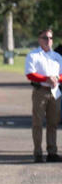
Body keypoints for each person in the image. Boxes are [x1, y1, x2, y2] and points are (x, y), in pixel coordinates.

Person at [25, 28, 61, 163]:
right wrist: (46, 79)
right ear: (39, 39)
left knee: (53, 123)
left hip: (54, 91)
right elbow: (29, 74)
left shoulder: (57, 57)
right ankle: (38, 152)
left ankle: (52, 152)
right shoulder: (33, 55)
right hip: (40, 91)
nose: (48, 41)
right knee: (38, 123)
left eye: (50, 38)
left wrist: (56, 78)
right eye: (45, 38)